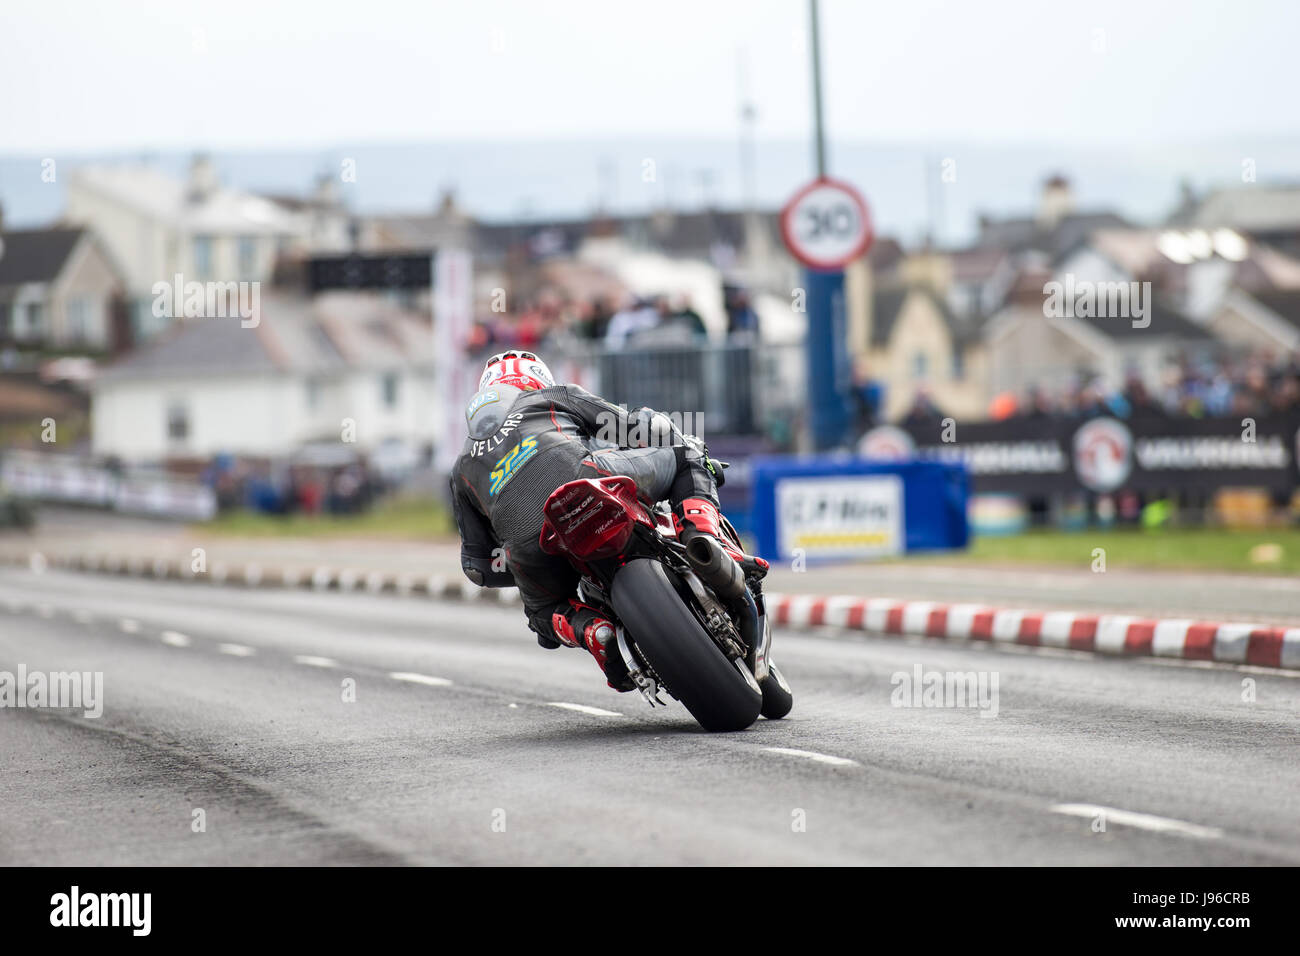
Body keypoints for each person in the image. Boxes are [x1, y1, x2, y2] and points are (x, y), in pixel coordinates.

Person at [450, 350, 767, 689]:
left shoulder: (463, 467)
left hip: (531, 546)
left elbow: (479, 567)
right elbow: (636, 428)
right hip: (590, 480)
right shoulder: (553, 397)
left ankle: (591, 631)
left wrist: (516, 557)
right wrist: (671, 435)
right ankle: (705, 542)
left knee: (544, 613)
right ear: (537, 379)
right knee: (686, 453)